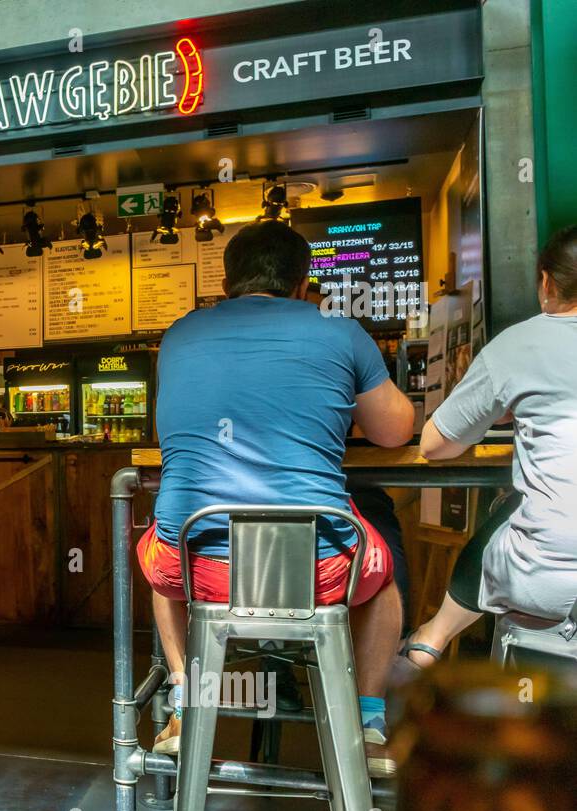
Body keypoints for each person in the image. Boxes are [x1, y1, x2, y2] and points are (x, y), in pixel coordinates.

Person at [136, 220, 414, 777]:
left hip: (196, 571)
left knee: (158, 545)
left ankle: (186, 695)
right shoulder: (341, 330)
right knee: (381, 577)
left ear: (226, 281)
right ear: (304, 284)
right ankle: (364, 718)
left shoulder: (180, 334)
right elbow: (395, 431)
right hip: (318, 573)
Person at [396, 225, 577, 674]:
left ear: (546, 282)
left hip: (548, 583)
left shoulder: (519, 345)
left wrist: (506, 406)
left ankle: (428, 641)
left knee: (511, 509)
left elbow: (435, 445)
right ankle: (431, 641)